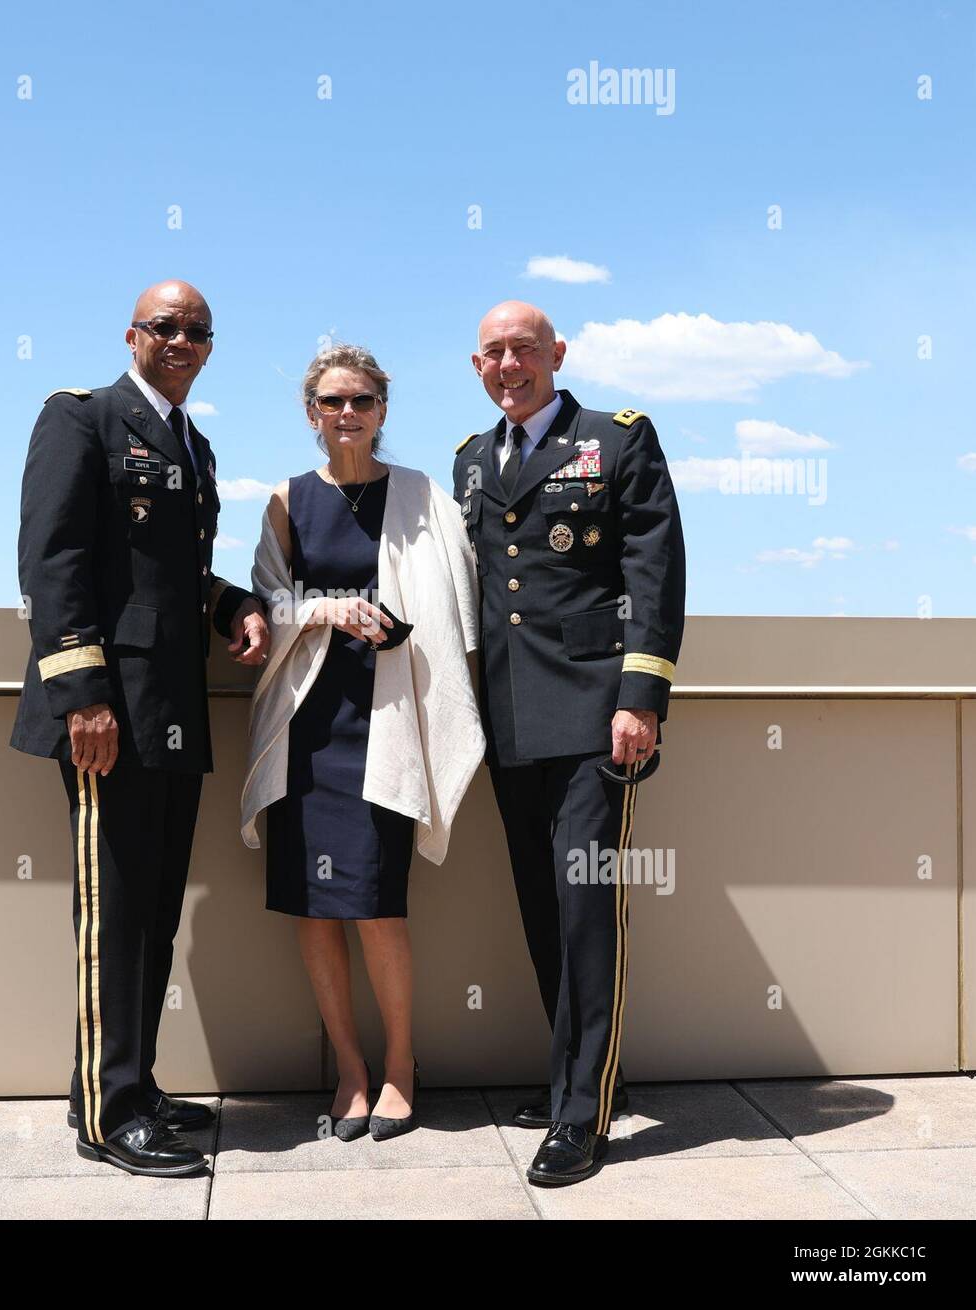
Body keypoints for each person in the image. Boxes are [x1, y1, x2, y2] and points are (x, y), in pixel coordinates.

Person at [11, 279, 269, 1177]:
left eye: (198, 330)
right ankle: (104, 1110)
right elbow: (53, 559)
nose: (183, 341)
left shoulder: (194, 445)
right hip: (107, 717)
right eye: (166, 327)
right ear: (132, 335)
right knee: (114, 914)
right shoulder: (80, 418)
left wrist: (232, 602)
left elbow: (174, 577)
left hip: (173, 714)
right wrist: (81, 692)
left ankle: (136, 1081)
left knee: (155, 913)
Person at [453, 300, 685, 1186]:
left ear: (556, 353)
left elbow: (654, 568)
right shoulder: (473, 460)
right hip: (510, 719)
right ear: (478, 367)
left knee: (589, 910)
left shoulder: (617, 439)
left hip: (597, 719)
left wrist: (641, 696)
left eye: (523, 350)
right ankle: (574, 1081)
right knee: (541, 908)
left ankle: (582, 1114)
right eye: (493, 354)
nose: (509, 365)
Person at [241, 344, 483, 1142]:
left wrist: (393, 624)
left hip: (385, 724)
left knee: (378, 905)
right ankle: (349, 1069)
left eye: (364, 401)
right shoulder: (286, 500)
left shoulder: (418, 496)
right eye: (333, 401)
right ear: (312, 414)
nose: (349, 414)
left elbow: (457, 597)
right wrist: (325, 611)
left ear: (384, 411)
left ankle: (402, 1066)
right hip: (307, 726)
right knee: (313, 909)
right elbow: (266, 605)